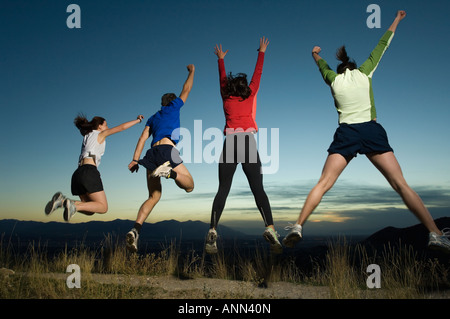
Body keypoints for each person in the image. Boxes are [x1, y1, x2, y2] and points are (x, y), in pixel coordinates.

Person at [283, 10, 450, 253]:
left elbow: (323, 66)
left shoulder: (333, 79)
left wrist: (314, 54)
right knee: (400, 184)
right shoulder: (365, 72)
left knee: (324, 182)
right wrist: (397, 19)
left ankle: (298, 225)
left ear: (340, 71)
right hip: (372, 131)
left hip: (346, 133)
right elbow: (382, 44)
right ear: (354, 67)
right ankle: (435, 234)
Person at [205, 37, 283, 255]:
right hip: (247, 143)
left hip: (229, 143)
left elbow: (222, 79)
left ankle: (212, 229)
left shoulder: (225, 97)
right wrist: (262, 52)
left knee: (223, 189)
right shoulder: (250, 95)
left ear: (229, 88)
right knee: (258, 189)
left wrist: (221, 60)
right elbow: (258, 74)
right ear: (245, 89)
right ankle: (270, 228)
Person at [126, 64, 195, 252]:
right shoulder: (174, 106)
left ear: (161, 103)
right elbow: (187, 89)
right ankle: (170, 174)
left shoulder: (152, 118)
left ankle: (135, 230)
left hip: (151, 154)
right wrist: (192, 72)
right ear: (171, 102)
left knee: (153, 196)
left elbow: (142, 138)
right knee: (189, 185)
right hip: (167, 150)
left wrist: (135, 159)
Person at [45, 114, 144, 222]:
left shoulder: (87, 135)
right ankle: (73, 206)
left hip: (77, 174)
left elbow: (85, 130)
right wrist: (137, 121)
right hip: (89, 171)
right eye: (106, 125)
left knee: (89, 209)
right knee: (103, 207)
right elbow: (121, 128)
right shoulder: (100, 133)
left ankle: (62, 201)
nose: (107, 127)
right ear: (100, 126)